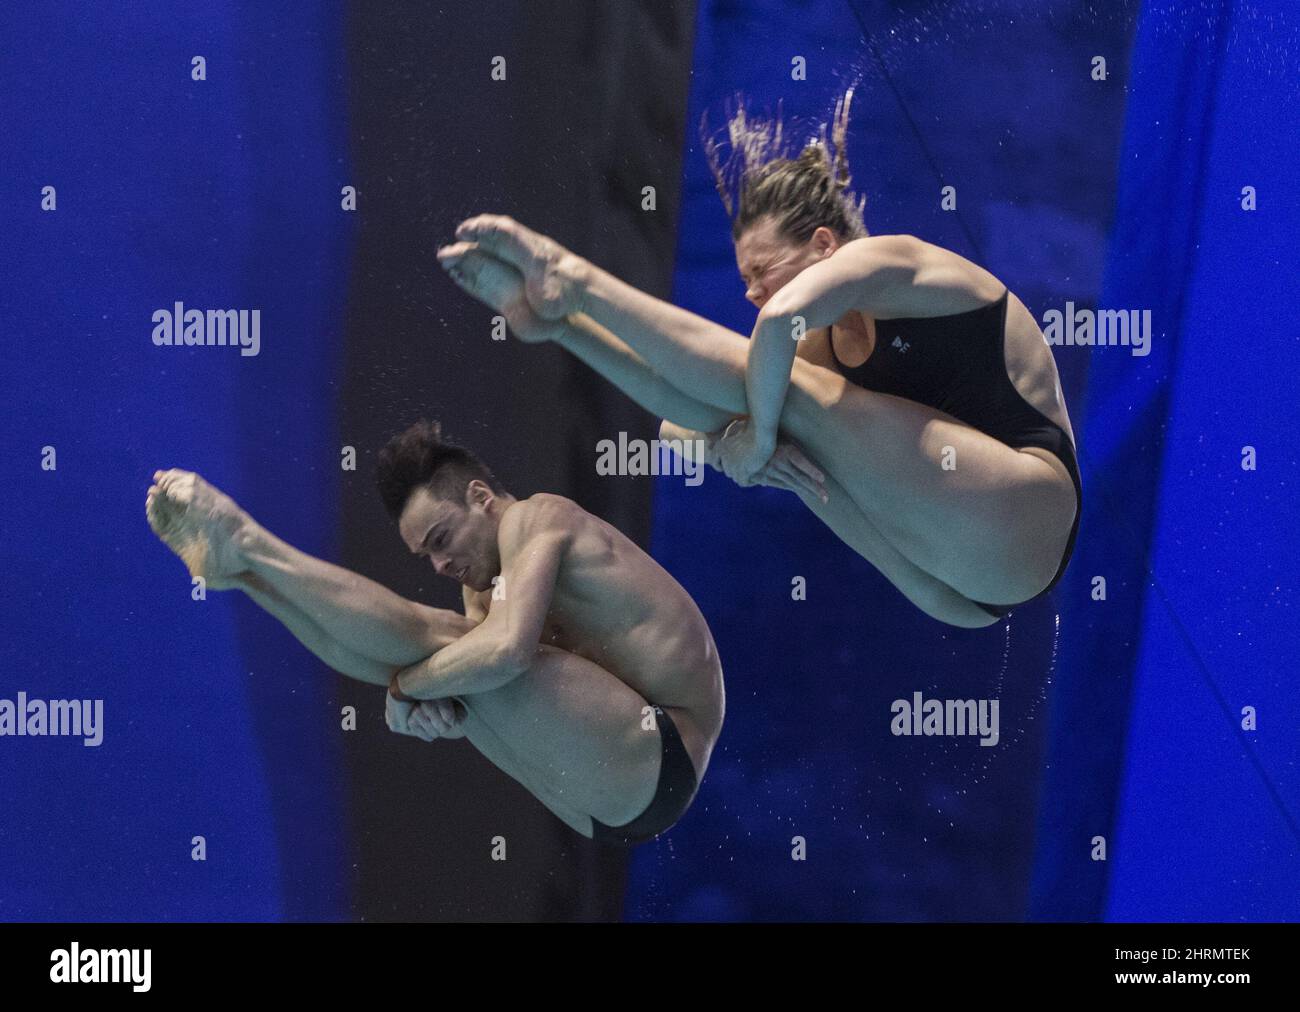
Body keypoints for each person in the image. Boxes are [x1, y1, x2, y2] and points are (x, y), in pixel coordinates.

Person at [434, 88, 1081, 629]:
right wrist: (733, 451)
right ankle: (559, 325)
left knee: (782, 394)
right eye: (744, 278)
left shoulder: (891, 261)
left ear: (824, 244)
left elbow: (773, 325)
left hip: (1023, 519)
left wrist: (758, 438)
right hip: (951, 589)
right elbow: (677, 430)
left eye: (762, 269)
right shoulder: (811, 346)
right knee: (753, 405)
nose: (751, 292)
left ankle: (572, 280)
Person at [144, 420, 723, 846]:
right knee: (432, 662)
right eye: (425, 556)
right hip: (600, 803)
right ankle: (244, 576)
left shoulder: (539, 518)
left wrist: (406, 692)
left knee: (441, 646)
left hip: (662, 748)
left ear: (479, 497)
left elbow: (508, 653)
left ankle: (248, 543)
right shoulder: (480, 589)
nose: (440, 566)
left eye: (442, 539)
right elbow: (482, 687)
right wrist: (425, 707)